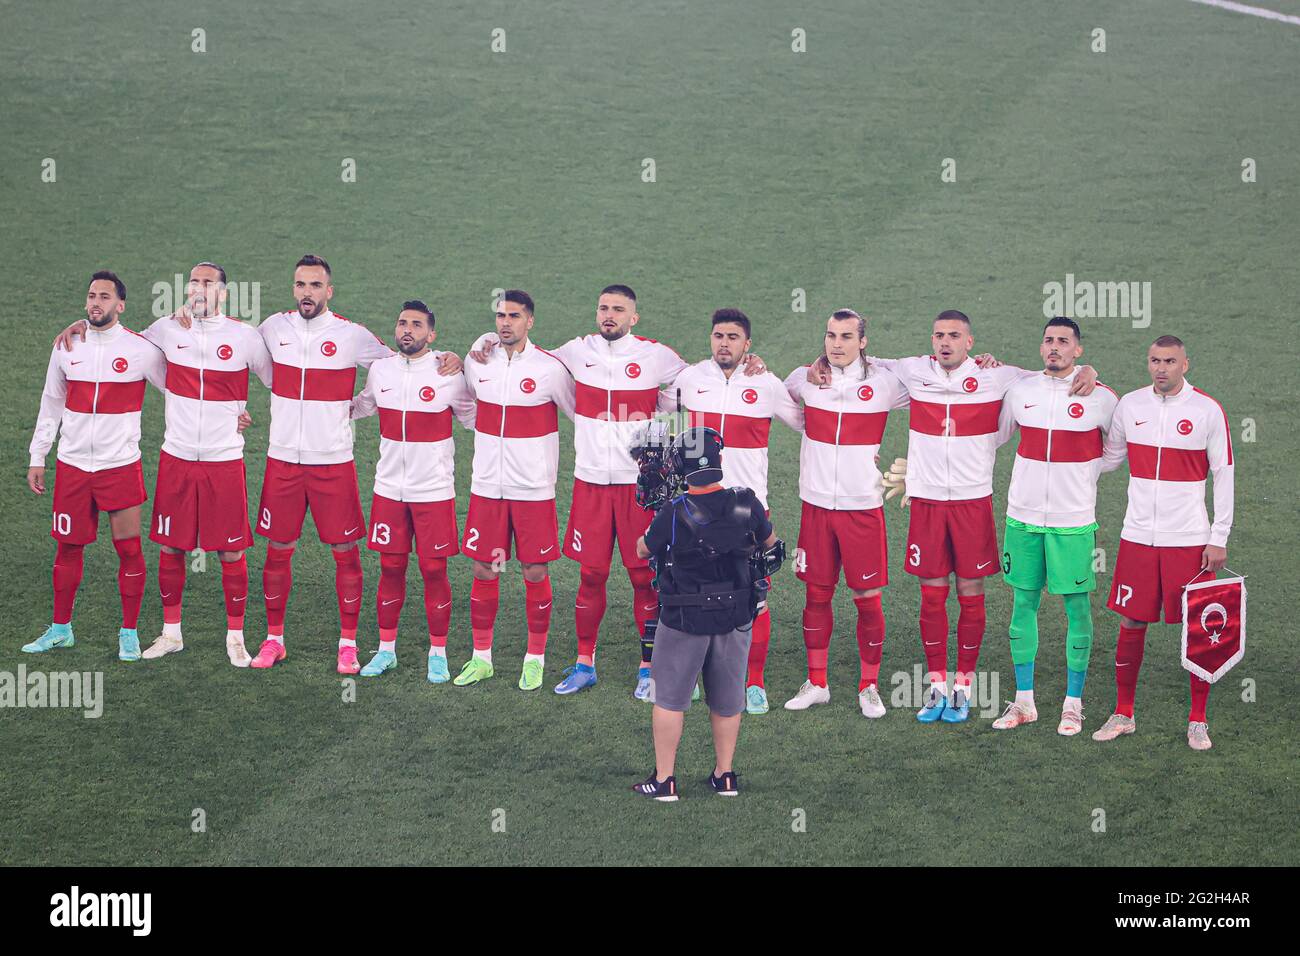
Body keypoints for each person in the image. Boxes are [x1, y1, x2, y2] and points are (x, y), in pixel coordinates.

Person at [852, 311, 1098, 723]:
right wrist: (822, 364)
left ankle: (963, 687)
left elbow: (1052, 372)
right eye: (938, 335)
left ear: (970, 342)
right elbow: (862, 363)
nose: (944, 342)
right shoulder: (913, 371)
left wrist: (1089, 368)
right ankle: (935, 687)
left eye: (954, 336)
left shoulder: (998, 376)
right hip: (927, 502)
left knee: (970, 593)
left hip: (972, 503)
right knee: (932, 595)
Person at [52, 261, 270, 665]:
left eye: (207, 282)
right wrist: (76, 326)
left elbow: (280, 380)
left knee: (231, 552)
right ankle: (171, 633)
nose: (198, 288)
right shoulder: (165, 330)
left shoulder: (246, 338)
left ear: (223, 291)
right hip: (177, 456)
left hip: (225, 459)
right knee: (170, 546)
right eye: (193, 282)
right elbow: (116, 339)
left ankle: (235, 637)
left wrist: (242, 410)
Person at [1092, 335, 1234, 751]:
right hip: (1137, 536)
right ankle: (1123, 713)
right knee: (1131, 621)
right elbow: (1109, 458)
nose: (1161, 368)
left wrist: (1218, 535)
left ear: (1185, 364)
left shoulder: (1207, 410)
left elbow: (1224, 473)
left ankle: (1198, 719)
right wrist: (1058, 464)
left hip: (1189, 539)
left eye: (1170, 361)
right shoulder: (1130, 406)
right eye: (1155, 360)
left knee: (1197, 629)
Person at [631, 427, 781, 801]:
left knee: (669, 699)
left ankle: (665, 780)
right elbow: (774, 548)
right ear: (719, 461)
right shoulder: (748, 503)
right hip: (735, 617)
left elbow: (641, 551)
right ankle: (724, 775)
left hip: (684, 619)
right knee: (729, 700)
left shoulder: (674, 511)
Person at [26, 271, 166, 661]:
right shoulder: (66, 345)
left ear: (120, 305)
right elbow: (51, 401)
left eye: (105, 296)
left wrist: (228, 414)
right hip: (72, 466)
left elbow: (178, 389)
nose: (96, 303)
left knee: (129, 549)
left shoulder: (142, 349)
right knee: (67, 548)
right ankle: (60, 629)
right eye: (91, 295)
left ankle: (129, 632)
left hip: (119, 465)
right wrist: (39, 455)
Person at [991, 318, 1119, 735]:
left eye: (1064, 341)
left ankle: (1072, 704)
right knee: (1022, 605)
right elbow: (993, 437)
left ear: (1078, 351)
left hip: (1072, 522)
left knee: (1076, 609)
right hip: (1022, 517)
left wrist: (1081, 479)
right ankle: (1024, 702)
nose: (1054, 347)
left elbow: (1115, 452)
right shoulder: (1021, 391)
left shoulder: (1101, 398)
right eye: (1048, 340)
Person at [672, 309, 803, 714]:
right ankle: (692, 676)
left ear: (748, 345)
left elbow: (806, 421)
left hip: (748, 512)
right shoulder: (690, 380)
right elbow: (664, 415)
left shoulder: (767, 384)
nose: (724, 343)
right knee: (690, 593)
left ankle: (755, 682)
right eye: (717, 335)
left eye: (733, 337)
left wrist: (807, 371)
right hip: (696, 509)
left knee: (754, 597)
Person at [782, 310, 908, 718]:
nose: (836, 344)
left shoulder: (885, 384)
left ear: (863, 341)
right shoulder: (806, 377)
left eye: (847, 336)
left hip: (862, 508)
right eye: (831, 336)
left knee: (867, 599)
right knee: (816, 595)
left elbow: (930, 376)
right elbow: (779, 386)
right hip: (816, 506)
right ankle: (817, 682)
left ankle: (868, 686)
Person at [349, 300, 475, 681]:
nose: (407, 330)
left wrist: (468, 364)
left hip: (434, 491)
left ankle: (438, 653)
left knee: (433, 570)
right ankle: (386, 650)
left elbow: (476, 419)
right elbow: (360, 407)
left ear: (431, 335)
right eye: (403, 323)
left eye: (417, 325)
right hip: (388, 489)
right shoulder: (381, 370)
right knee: (390, 567)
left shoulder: (448, 374)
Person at [457, 290, 575, 690]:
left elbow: (578, 411)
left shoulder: (550, 369)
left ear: (530, 322)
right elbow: (467, 404)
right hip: (488, 486)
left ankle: (534, 659)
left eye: (514, 316)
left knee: (533, 569)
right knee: (483, 568)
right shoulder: (480, 362)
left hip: (533, 491)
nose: (505, 323)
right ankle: (481, 658)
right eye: (500, 316)